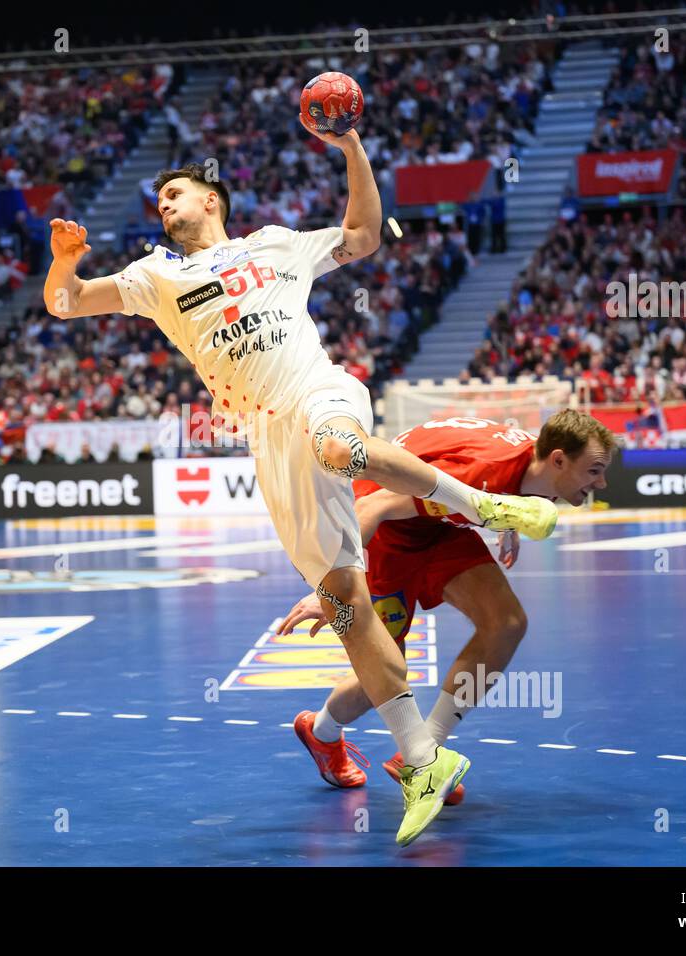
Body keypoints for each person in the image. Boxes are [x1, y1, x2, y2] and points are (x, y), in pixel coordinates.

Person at [42, 116, 560, 846]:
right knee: (345, 602)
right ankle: (421, 759)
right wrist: (64, 262)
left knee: (340, 447)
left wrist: (351, 148)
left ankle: (485, 505)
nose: (164, 205)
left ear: (212, 200)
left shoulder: (278, 246)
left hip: (317, 392)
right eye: (159, 199)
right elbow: (64, 304)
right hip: (265, 437)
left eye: (175, 193)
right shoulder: (154, 278)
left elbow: (365, 234)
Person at [280, 410, 616, 800]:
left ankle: (422, 756)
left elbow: (479, 474)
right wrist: (330, 590)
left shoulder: (527, 464)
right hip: (386, 528)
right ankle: (321, 733)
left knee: (506, 622)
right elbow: (372, 509)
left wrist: (507, 521)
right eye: (594, 470)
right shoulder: (481, 473)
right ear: (558, 459)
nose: (601, 482)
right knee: (386, 670)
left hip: (436, 526)